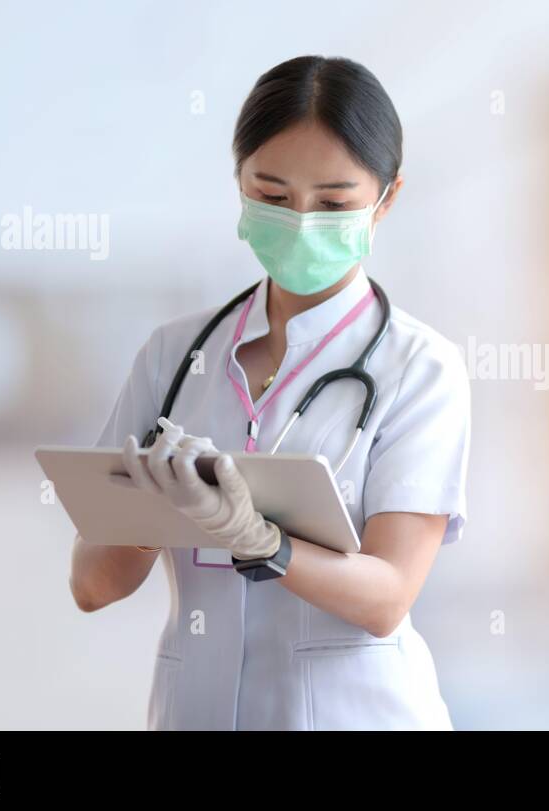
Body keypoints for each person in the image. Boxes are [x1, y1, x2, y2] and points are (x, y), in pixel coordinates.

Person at [68, 55, 471, 730]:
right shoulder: (173, 356)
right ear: (240, 186)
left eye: (335, 203)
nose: (303, 223)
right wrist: (157, 509)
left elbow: (386, 598)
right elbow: (91, 585)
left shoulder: (420, 368)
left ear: (386, 200)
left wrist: (258, 538)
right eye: (274, 197)